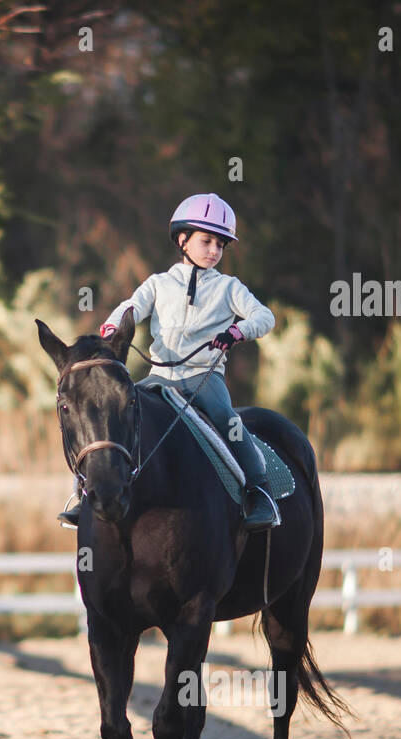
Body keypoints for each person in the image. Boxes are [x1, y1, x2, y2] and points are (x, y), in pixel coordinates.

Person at [58, 192, 279, 531]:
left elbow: (264, 317)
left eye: (221, 245)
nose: (214, 251)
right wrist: (113, 327)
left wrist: (237, 332)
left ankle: (259, 492)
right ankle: (86, 492)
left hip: (204, 378)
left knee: (227, 420)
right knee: (118, 415)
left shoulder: (229, 287)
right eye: (206, 241)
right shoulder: (159, 284)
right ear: (182, 239)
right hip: (159, 376)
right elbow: (132, 307)